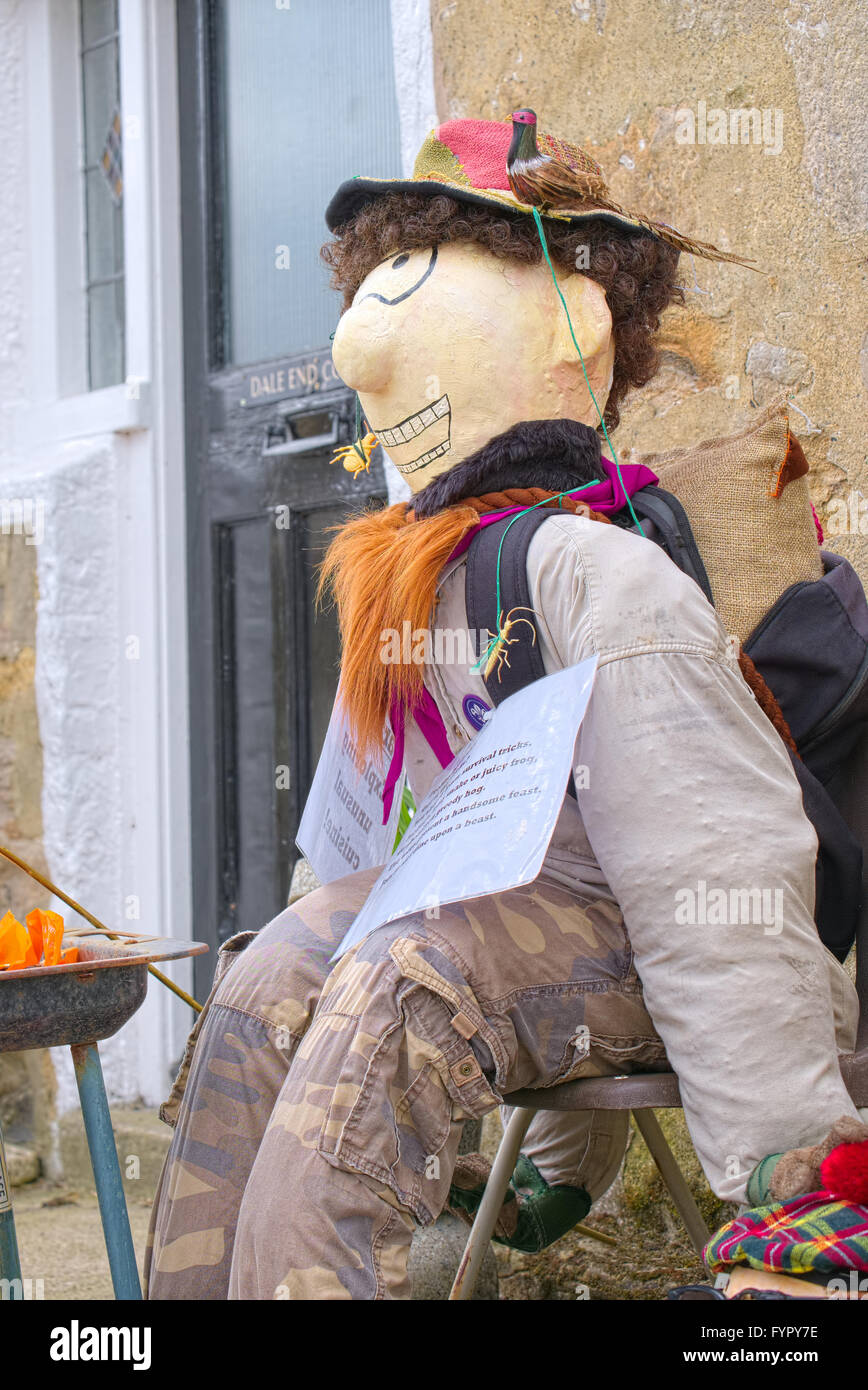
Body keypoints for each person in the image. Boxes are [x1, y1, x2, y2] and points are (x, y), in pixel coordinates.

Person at [146, 117, 862, 1301]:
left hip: (635, 928)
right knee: (273, 976)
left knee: (400, 985)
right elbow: (354, 841)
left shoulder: (597, 572)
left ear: (572, 322)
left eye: (411, 294)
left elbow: (705, 858)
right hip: (494, 919)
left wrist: (789, 1183)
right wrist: (299, 947)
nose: (360, 360)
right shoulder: (399, 576)